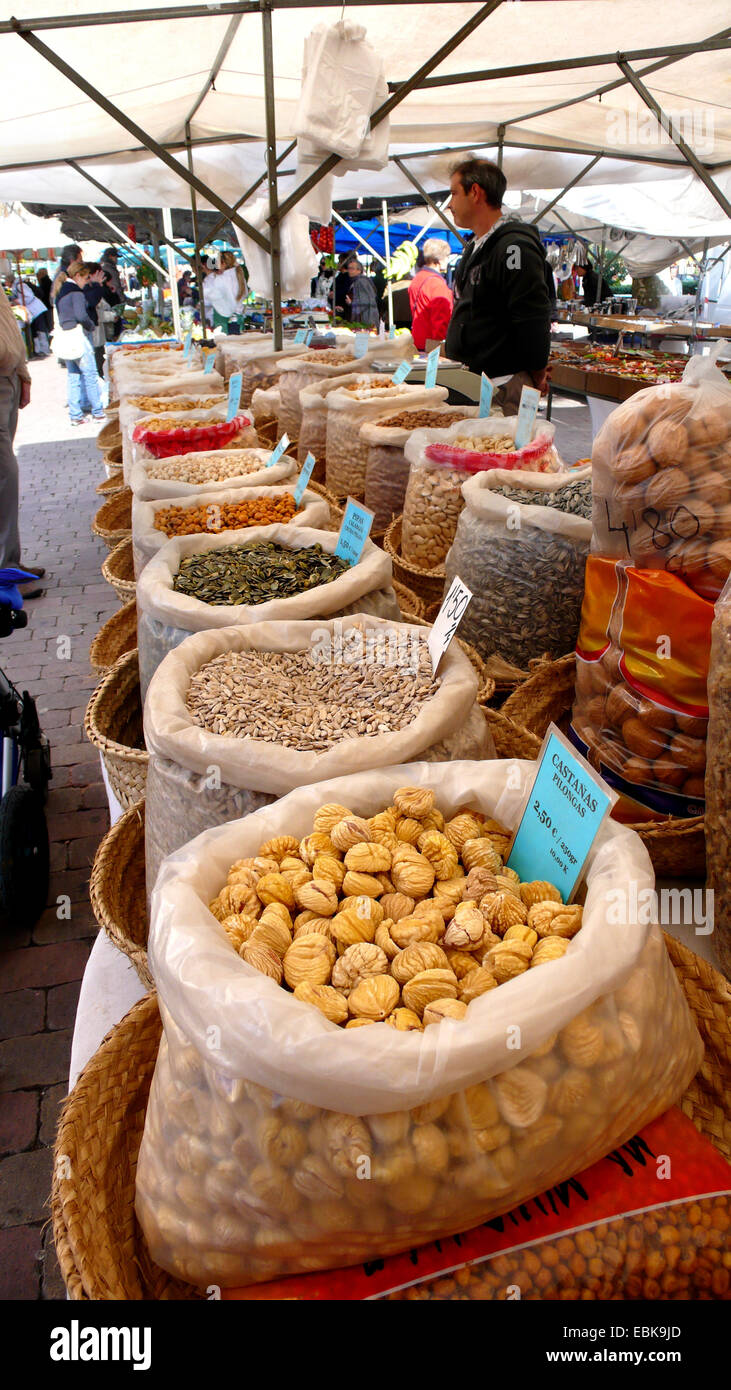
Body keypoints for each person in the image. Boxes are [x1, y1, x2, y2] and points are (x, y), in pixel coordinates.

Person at [445, 157, 551, 401]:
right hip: (474, 383)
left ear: (475, 192)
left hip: (501, 385)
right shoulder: (476, 246)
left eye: (454, 193)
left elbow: (532, 315)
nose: (450, 204)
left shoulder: (514, 246)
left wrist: (537, 370)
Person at [0, 288, 45, 595]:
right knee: (5, 475)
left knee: (6, 481)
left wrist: (23, 374)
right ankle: (5, 574)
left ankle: (10, 563)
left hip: (8, 378)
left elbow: (9, 325)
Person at [55, 262, 104, 424]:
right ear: (77, 276)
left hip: (66, 337)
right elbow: (81, 315)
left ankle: (75, 415)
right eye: (86, 278)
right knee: (90, 375)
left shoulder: (61, 291)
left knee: (73, 376)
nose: (87, 281)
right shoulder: (76, 292)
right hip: (78, 336)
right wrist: (91, 326)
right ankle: (98, 412)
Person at [407, 238, 454, 350]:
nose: (448, 260)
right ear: (439, 260)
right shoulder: (437, 285)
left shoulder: (417, 278)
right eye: (447, 257)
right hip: (431, 346)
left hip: (416, 341)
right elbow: (441, 324)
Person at [13, 277, 51, 357]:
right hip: (34, 310)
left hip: (36, 310)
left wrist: (18, 301)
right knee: (36, 330)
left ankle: (44, 349)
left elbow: (29, 296)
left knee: (40, 329)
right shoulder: (17, 286)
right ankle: (39, 350)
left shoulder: (20, 285)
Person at [344, 255, 379, 328]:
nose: (349, 270)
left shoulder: (361, 281)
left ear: (359, 270)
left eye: (352, 268)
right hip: (366, 317)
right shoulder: (358, 280)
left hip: (366, 319)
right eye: (349, 268)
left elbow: (365, 301)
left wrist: (351, 303)